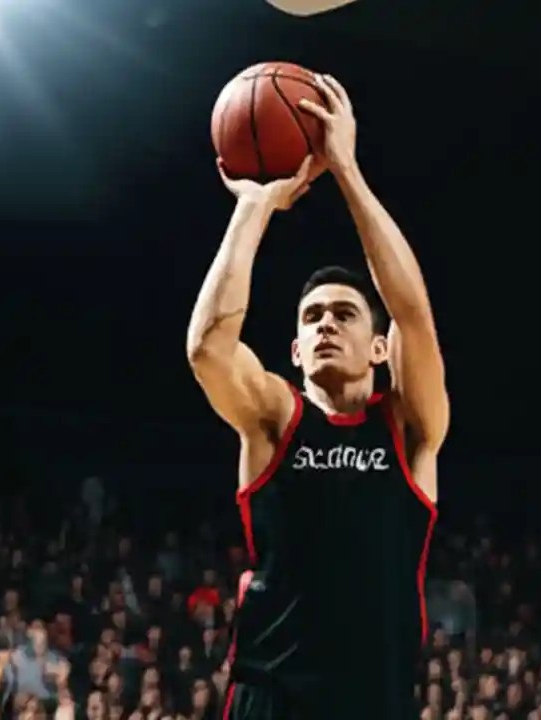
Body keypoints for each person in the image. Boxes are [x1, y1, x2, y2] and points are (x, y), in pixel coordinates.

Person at [186, 73, 449, 719]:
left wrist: (348, 173)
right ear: (296, 353)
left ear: (379, 348)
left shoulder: (409, 427)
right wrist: (253, 207)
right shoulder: (276, 419)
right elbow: (208, 350)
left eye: (343, 314)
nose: (325, 323)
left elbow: (411, 312)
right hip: (269, 700)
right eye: (310, 318)